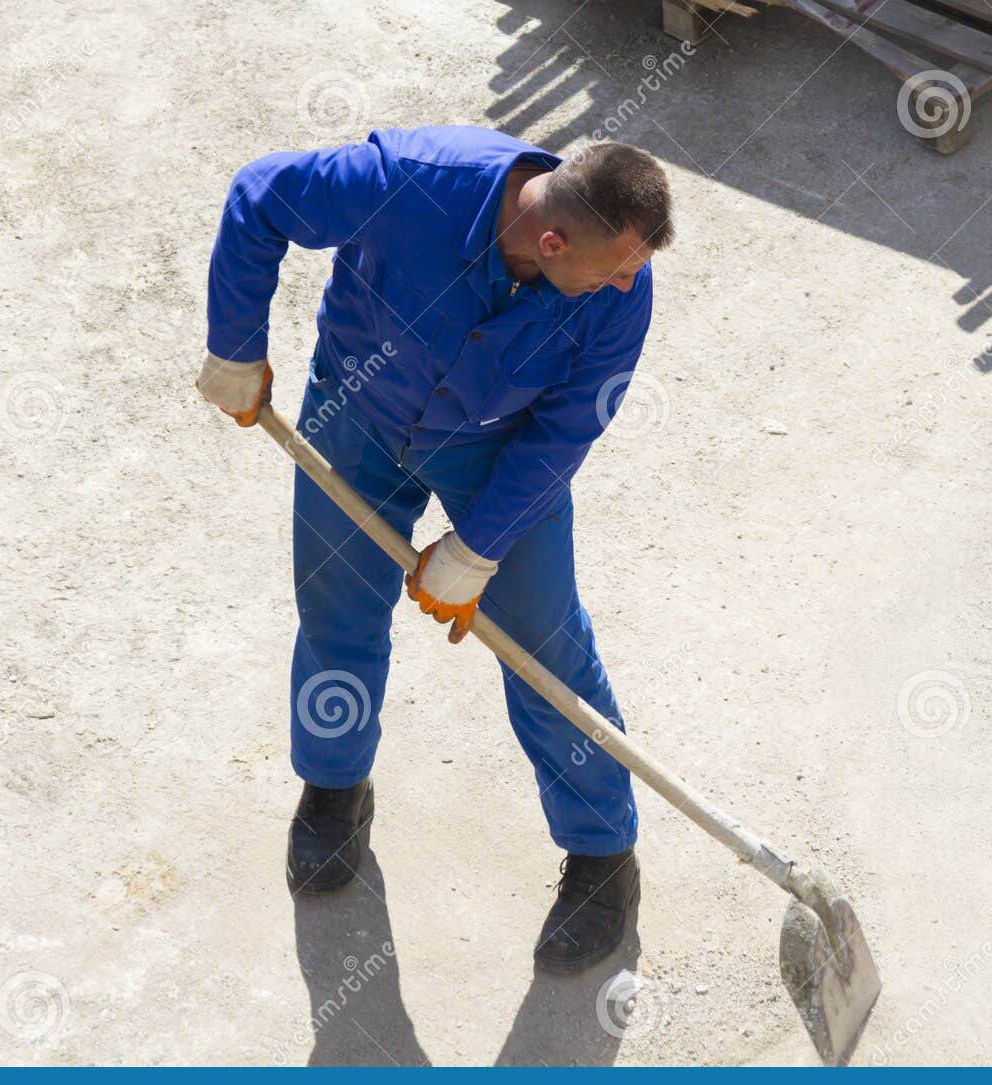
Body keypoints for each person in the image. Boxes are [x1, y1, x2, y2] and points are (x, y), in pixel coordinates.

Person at [198, 126, 672, 973]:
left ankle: (603, 856)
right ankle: (335, 789)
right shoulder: (407, 181)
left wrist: (477, 549)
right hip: (359, 414)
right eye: (616, 268)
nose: (631, 283)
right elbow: (260, 195)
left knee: (543, 647)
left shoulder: (620, 297)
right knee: (338, 608)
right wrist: (235, 346)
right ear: (552, 240)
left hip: (498, 451)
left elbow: (565, 431)